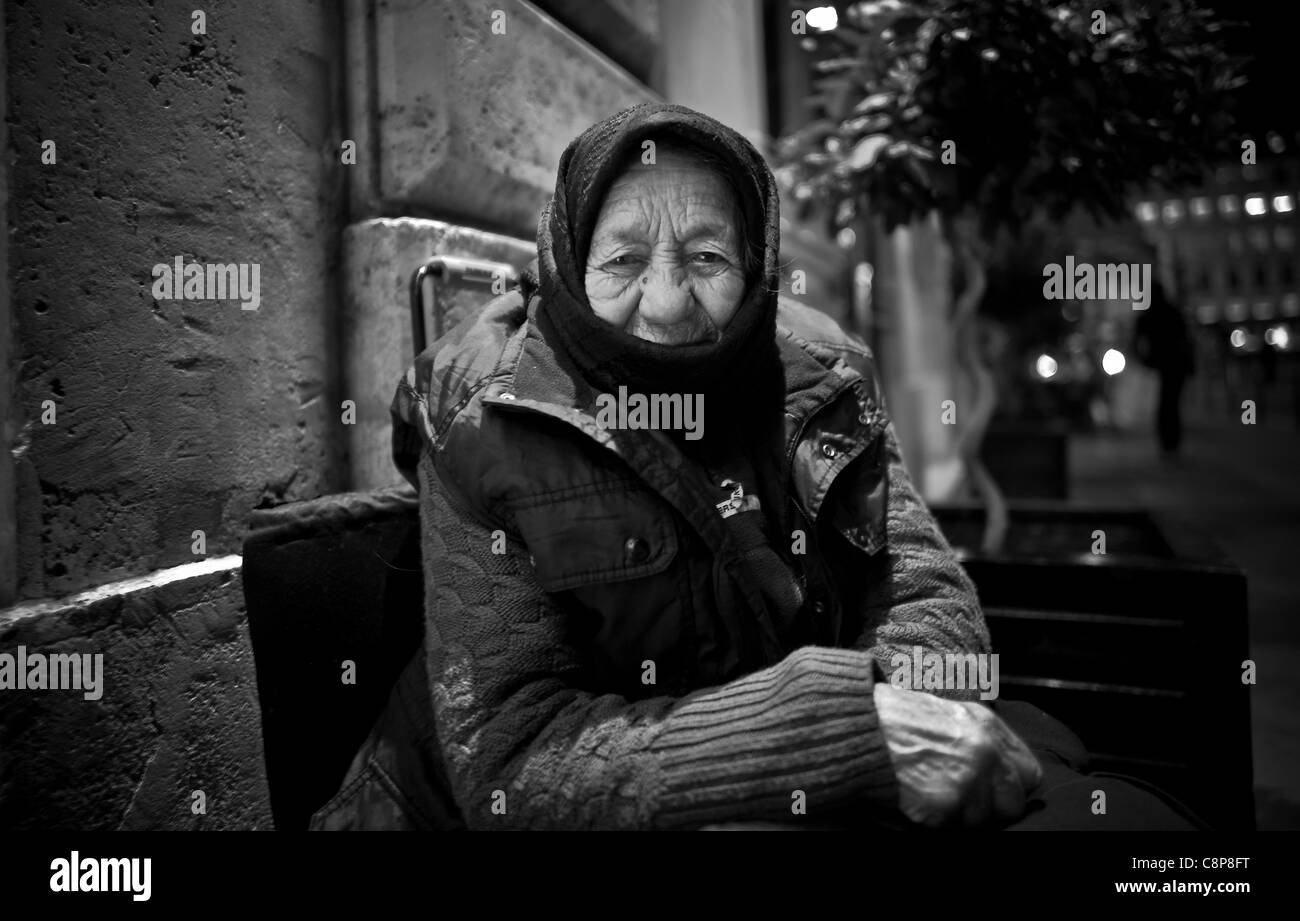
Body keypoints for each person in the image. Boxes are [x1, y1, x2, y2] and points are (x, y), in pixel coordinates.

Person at [310, 103, 1199, 831]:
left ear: (758, 266)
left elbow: (927, 596)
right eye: (622, 260)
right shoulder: (487, 420)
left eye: (706, 257)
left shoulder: (821, 374)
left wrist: (896, 723)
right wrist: (837, 732)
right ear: (568, 266)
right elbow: (515, 763)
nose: (662, 302)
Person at [1133, 280, 1195, 456]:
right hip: (1174, 364)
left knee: (1166, 403)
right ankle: (1170, 441)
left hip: (1164, 364)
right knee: (1170, 403)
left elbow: (1136, 341)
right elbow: (1186, 341)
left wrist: (1144, 360)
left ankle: (1168, 441)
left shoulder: (1150, 315)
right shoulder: (1172, 313)